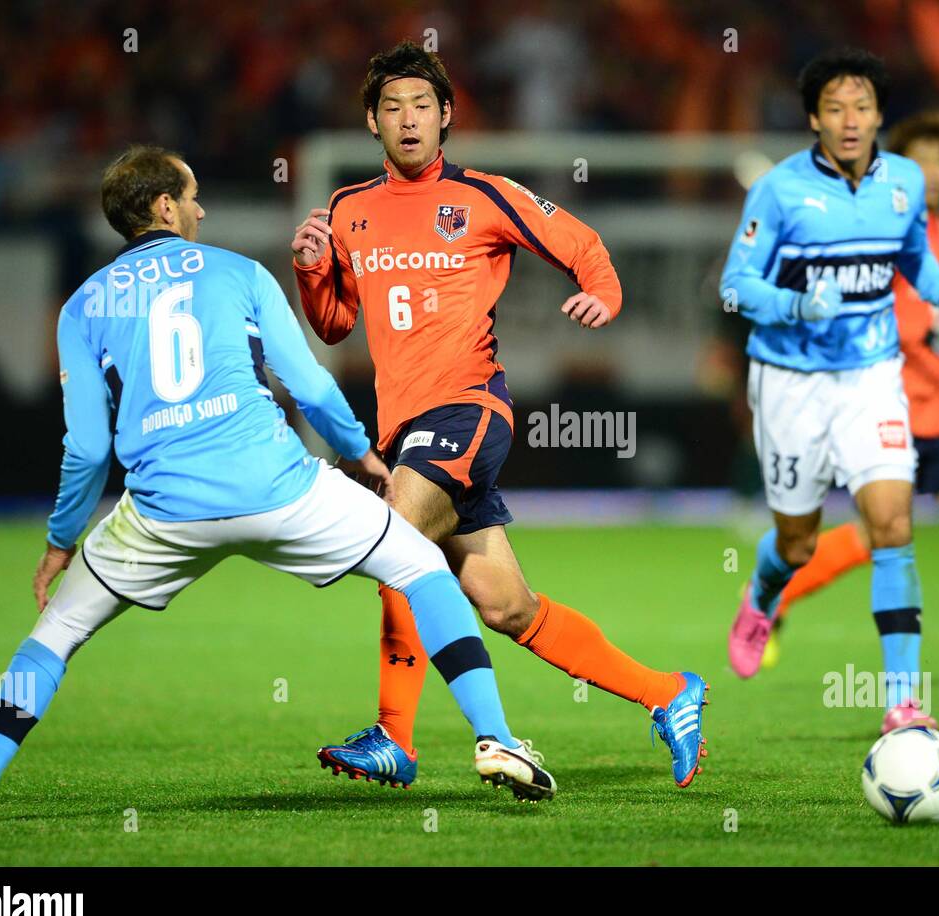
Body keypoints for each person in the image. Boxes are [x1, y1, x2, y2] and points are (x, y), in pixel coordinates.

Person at [0, 146, 553, 827]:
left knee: (56, 631)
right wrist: (358, 454)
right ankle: (494, 738)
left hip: (164, 512)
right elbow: (311, 387)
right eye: (192, 195)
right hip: (278, 486)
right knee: (420, 565)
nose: (202, 208)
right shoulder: (238, 273)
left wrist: (59, 541)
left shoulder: (82, 306)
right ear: (164, 205)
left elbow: (86, 448)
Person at [291, 41, 708, 789]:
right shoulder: (347, 211)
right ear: (371, 121)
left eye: (422, 106)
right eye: (393, 108)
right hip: (403, 428)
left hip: (468, 407)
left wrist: (604, 294)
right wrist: (309, 269)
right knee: (507, 608)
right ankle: (668, 693)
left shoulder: (483, 196)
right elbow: (332, 325)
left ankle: (398, 737)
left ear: (447, 116)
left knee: (395, 533)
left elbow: (580, 243)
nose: (409, 119)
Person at [721, 48, 939, 734]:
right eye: (834, 108)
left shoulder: (903, 181)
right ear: (813, 117)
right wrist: (795, 307)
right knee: (798, 542)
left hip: (872, 376)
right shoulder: (778, 190)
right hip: (789, 380)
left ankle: (902, 701)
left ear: (878, 115)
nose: (849, 119)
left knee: (893, 524)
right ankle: (763, 592)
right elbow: (735, 284)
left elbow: (916, 259)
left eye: (861, 107)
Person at [748, 111, 939, 692]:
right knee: (878, 536)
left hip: (934, 403)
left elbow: (936, 319)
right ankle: (773, 596)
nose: (934, 173)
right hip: (885, 405)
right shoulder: (877, 229)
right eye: (923, 162)